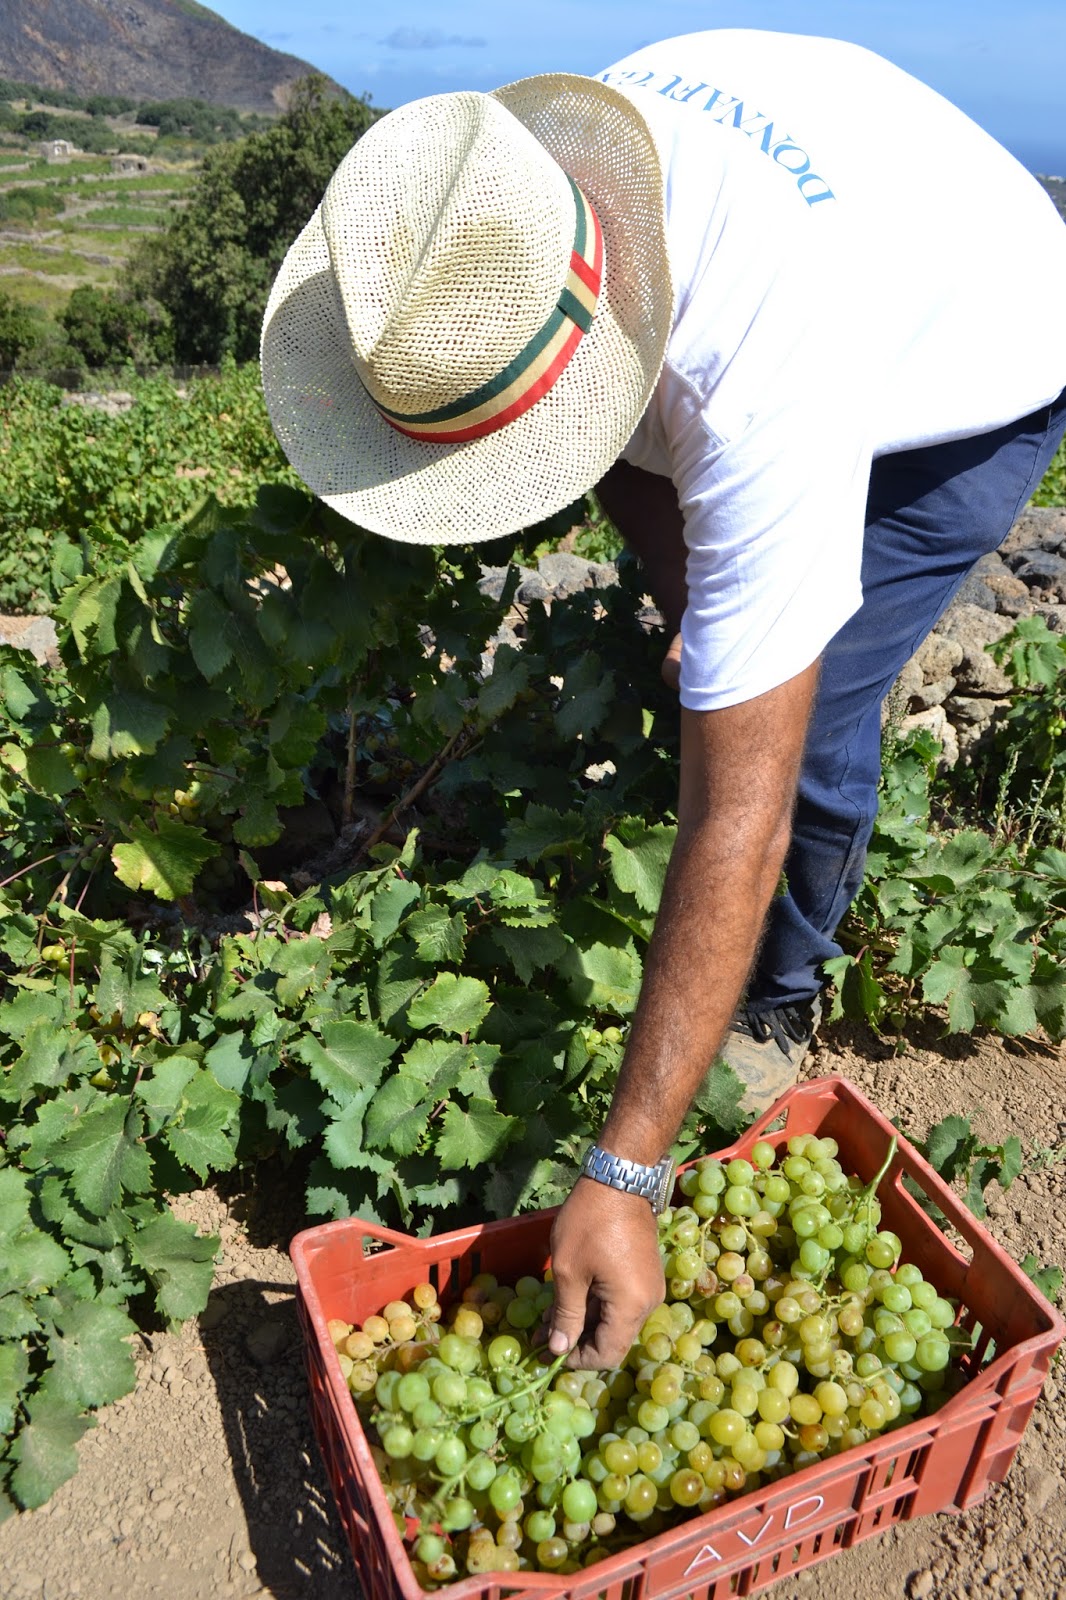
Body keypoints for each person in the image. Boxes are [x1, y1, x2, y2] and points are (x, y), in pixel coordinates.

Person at [261, 30, 1066, 1370]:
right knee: (722, 660)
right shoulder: (530, 204)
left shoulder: (755, 387)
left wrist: (625, 1172)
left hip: (986, 339)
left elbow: (732, 816)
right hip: (863, 238)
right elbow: (620, 440)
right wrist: (701, 603)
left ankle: (782, 988)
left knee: (804, 727)